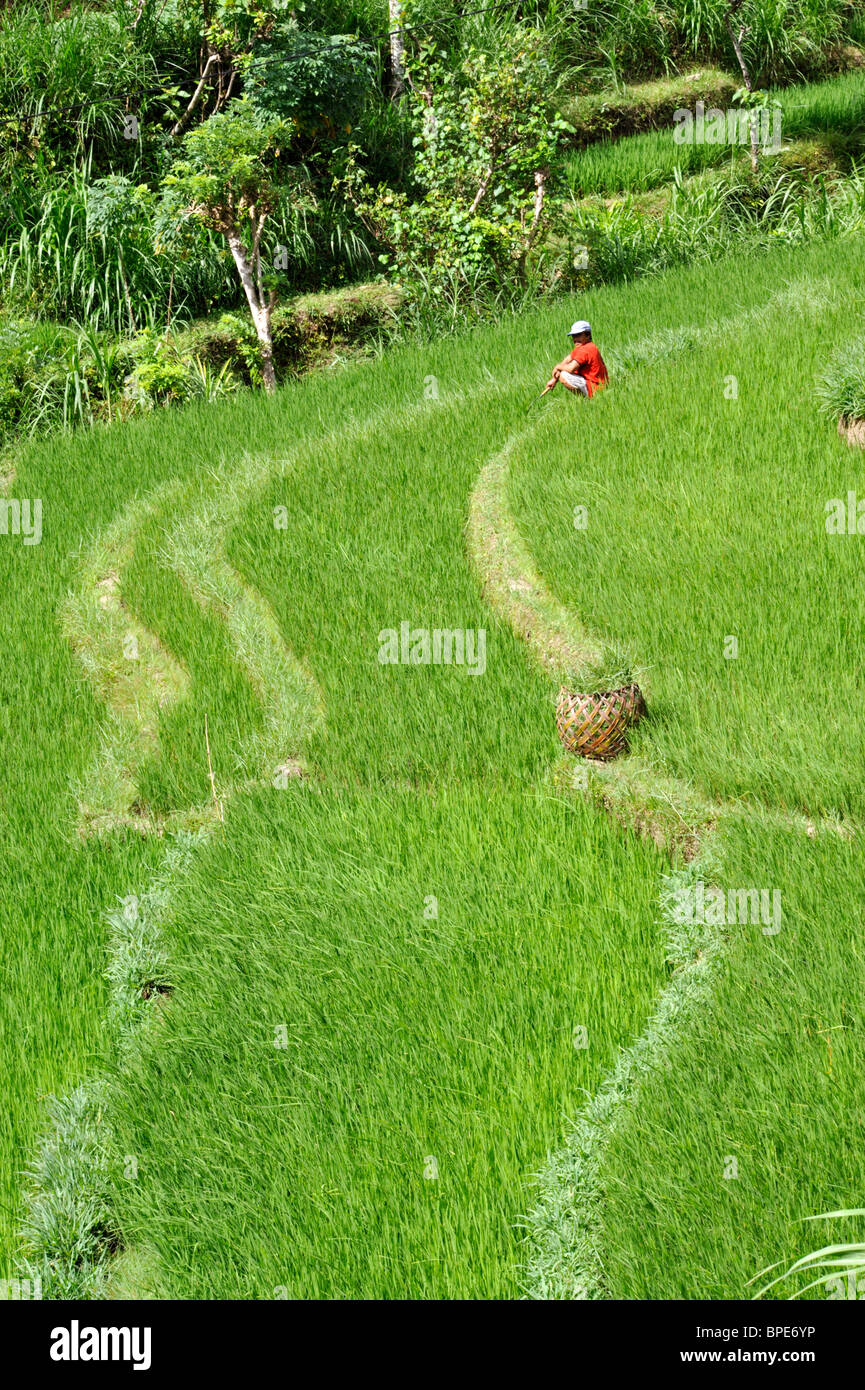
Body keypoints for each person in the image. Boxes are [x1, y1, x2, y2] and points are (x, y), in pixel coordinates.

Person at [547, 321, 609, 397]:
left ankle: (589, 399)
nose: (575, 339)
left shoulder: (586, 349)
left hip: (596, 387)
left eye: (578, 335)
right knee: (563, 371)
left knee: (564, 375)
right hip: (597, 385)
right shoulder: (583, 347)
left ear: (588, 335)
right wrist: (554, 379)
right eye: (573, 336)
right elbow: (566, 361)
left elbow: (570, 368)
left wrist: (557, 366)